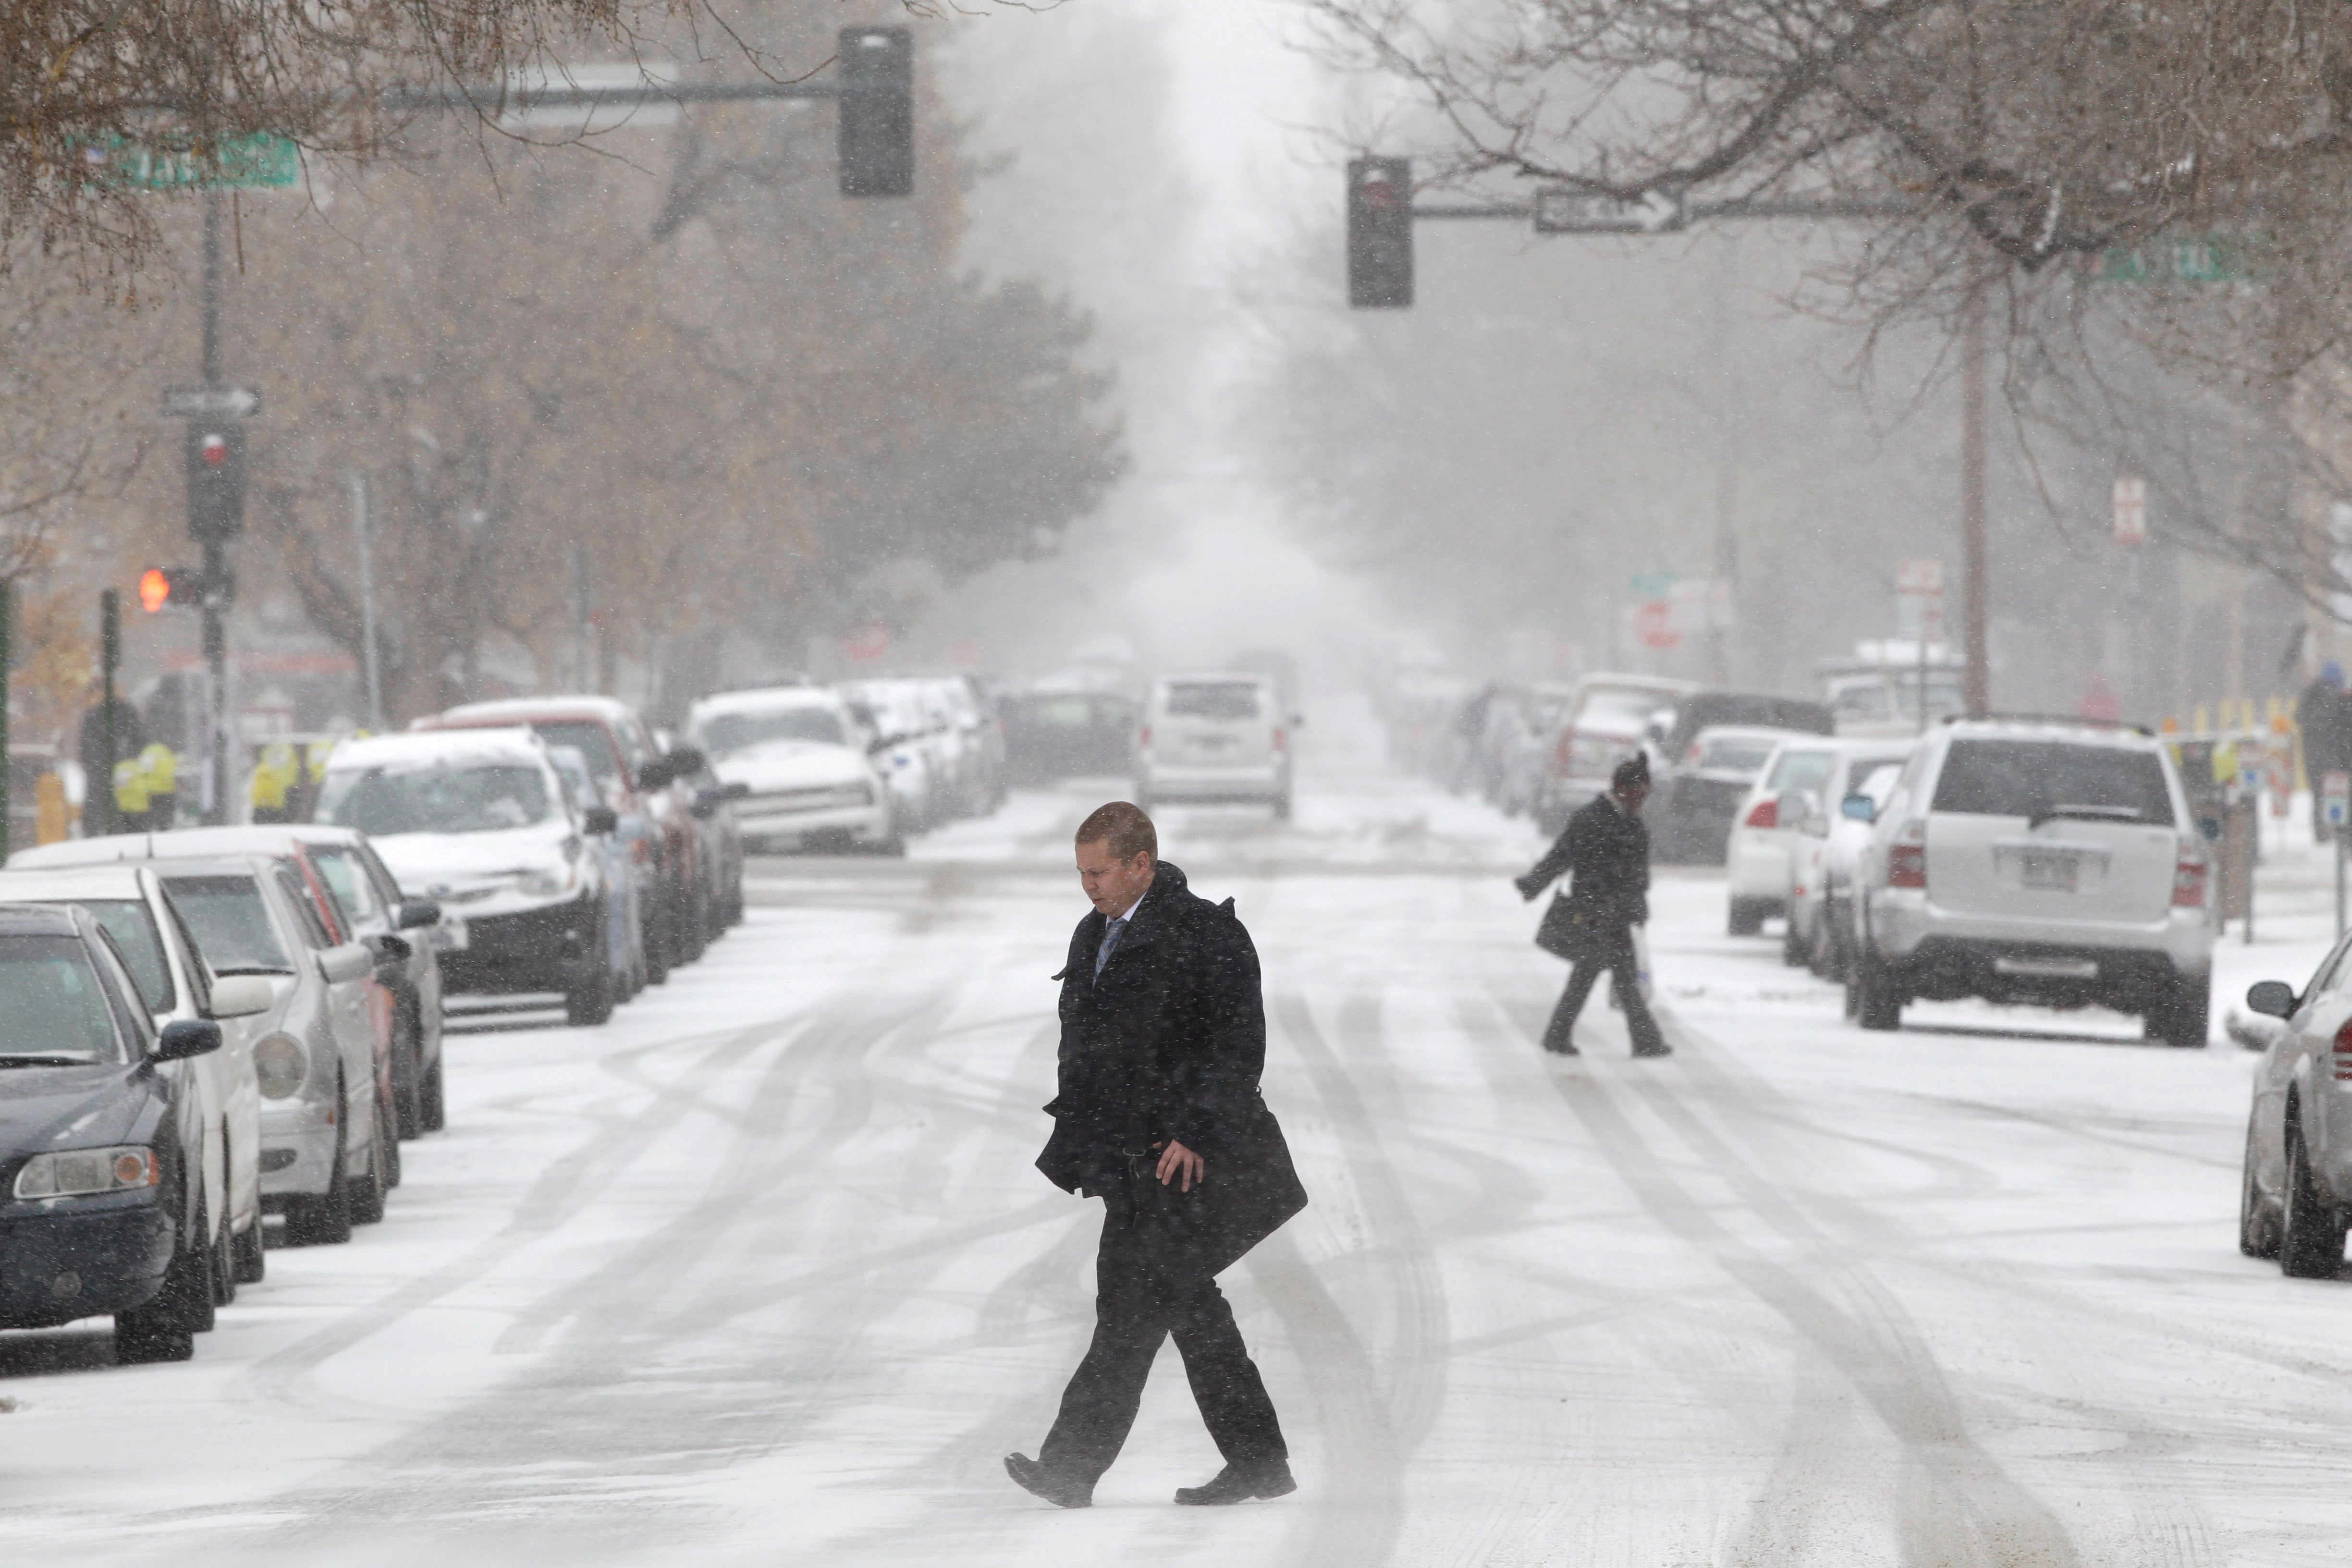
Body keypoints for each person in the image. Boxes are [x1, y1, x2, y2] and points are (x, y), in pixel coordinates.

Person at [1006, 801, 1308, 1511]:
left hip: (1186, 1164)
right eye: (1081, 874)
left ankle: (1073, 1469)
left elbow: (1238, 1051)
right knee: (1178, 1307)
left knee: (1139, 1309)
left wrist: (1195, 1132)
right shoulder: (1092, 936)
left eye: (1099, 872)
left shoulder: (1207, 935)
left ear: (1142, 863)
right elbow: (1084, 1049)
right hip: (1126, 1163)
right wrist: (1082, 1137)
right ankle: (1258, 1463)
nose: (1089, 887)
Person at [1516, 753, 1669, 1057]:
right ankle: (1642, 1040)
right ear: (1623, 788)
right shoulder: (1592, 819)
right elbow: (1562, 855)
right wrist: (1535, 882)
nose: (1643, 800)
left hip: (1616, 914)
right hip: (1595, 913)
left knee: (1606, 978)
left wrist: (1638, 909)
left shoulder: (1632, 822)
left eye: (1646, 794)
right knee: (1603, 977)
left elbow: (1637, 875)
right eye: (1640, 793)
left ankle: (1567, 1036)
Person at [2301, 662, 2351, 843]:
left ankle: (2321, 833)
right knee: (2341, 794)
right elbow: (2342, 724)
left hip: (2312, 756)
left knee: (2318, 795)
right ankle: (2342, 834)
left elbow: (2299, 718)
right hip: (2336, 755)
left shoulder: (2309, 695)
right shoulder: (2337, 697)